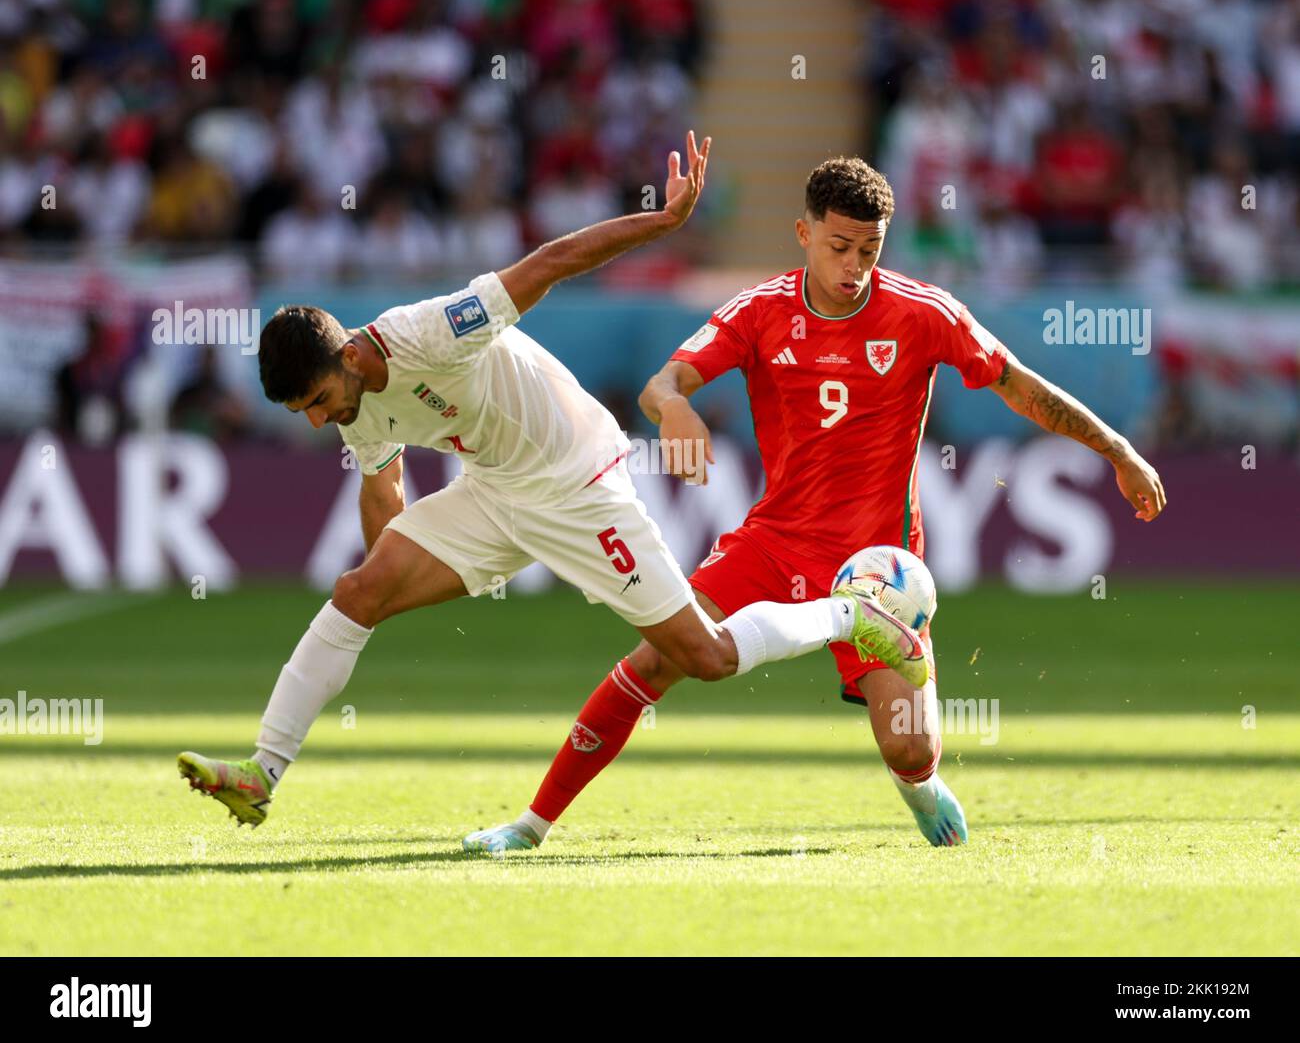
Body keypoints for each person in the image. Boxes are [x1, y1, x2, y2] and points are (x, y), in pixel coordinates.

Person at [177, 136, 927, 827]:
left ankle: (844, 617)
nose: (318, 422)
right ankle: (261, 771)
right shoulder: (350, 404)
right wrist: (391, 584)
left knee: (706, 656)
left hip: (578, 481)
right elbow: (384, 492)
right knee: (354, 593)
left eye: (316, 402)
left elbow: (550, 262)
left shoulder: (429, 331)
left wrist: (658, 222)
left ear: (344, 355)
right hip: (496, 492)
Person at [466, 156, 1167, 851]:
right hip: (772, 543)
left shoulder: (924, 313)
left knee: (909, 749)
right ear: (803, 234)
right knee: (655, 660)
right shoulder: (763, 310)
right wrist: (673, 405)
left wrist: (1119, 452)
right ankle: (529, 826)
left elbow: (1018, 384)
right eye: (839, 246)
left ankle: (919, 785)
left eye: (870, 249)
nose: (854, 264)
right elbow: (663, 382)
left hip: (876, 572)